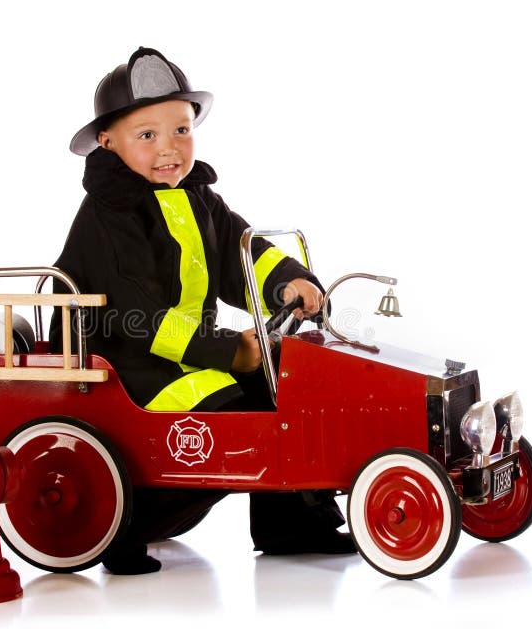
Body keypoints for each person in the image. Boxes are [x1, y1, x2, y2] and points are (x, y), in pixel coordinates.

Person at [51, 47, 355, 575]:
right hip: (125, 362)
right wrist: (225, 351)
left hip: (184, 353)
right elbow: (131, 311)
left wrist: (287, 280)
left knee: (287, 386)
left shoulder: (195, 198)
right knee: (233, 418)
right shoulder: (109, 214)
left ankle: (294, 522)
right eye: (146, 135)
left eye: (181, 131)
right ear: (108, 142)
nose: (169, 148)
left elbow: (241, 250)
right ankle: (122, 527)